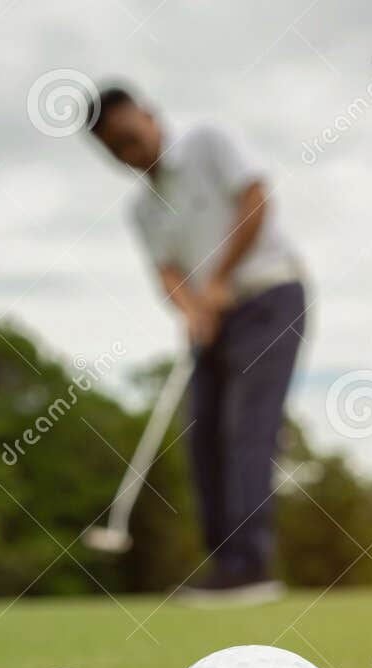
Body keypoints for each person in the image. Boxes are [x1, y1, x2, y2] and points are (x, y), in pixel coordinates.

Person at [88, 84, 308, 605]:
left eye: (130, 137)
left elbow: (255, 201)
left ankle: (250, 566)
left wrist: (219, 281)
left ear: (149, 116)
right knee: (202, 434)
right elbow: (166, 272)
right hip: (212, 321)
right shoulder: (142, 209)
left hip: (268, 298)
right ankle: (225, 564)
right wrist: (192, 310)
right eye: (115, 149)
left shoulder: (208, 142)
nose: (129, 153)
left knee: (246, 427)